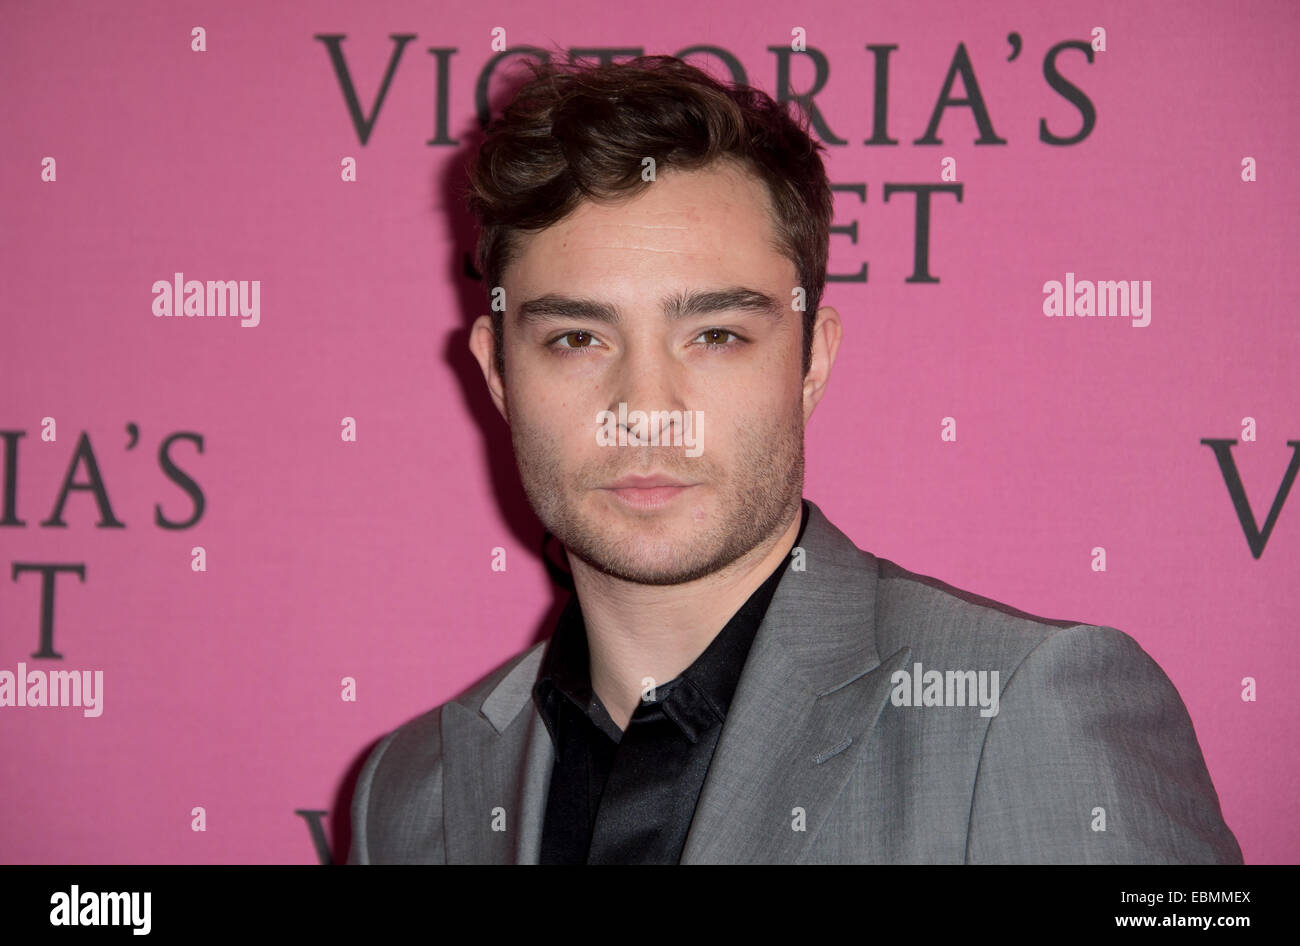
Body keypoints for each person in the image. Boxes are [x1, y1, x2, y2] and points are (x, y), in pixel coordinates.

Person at [348, 54, 1242, 864]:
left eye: (717, 334)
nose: (647, 411)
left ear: (810, 361)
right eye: (579, 336)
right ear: (498, 372)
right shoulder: (412, 786)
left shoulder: (1020, 713)